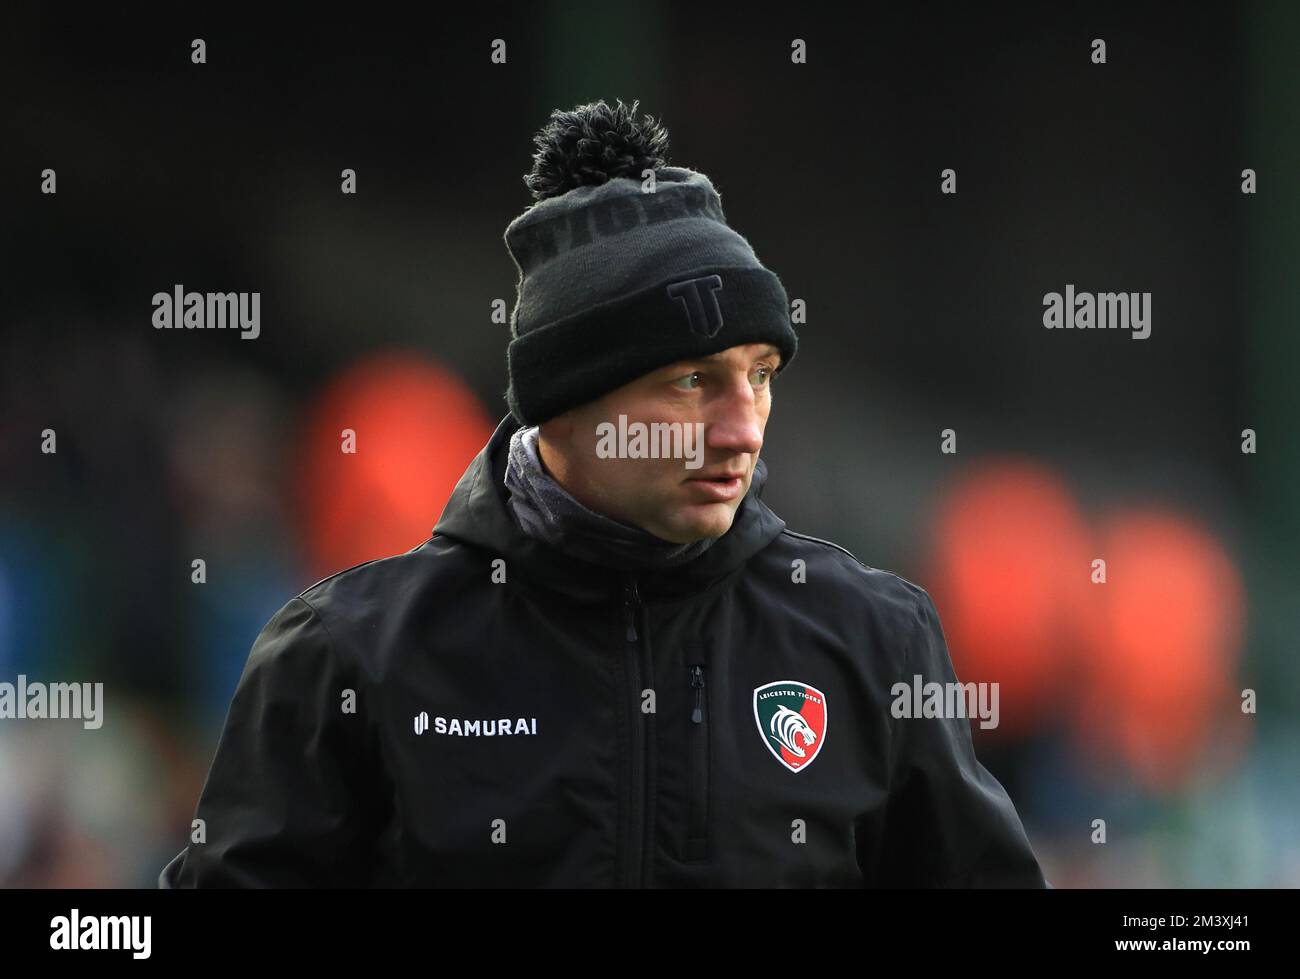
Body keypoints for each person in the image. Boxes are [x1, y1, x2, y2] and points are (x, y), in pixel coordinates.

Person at [159, 98, 1047, 888]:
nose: (742, 427)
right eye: (693, 381)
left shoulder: (873, 639)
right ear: (569, 401)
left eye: (761, 374)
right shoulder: (347, 656)